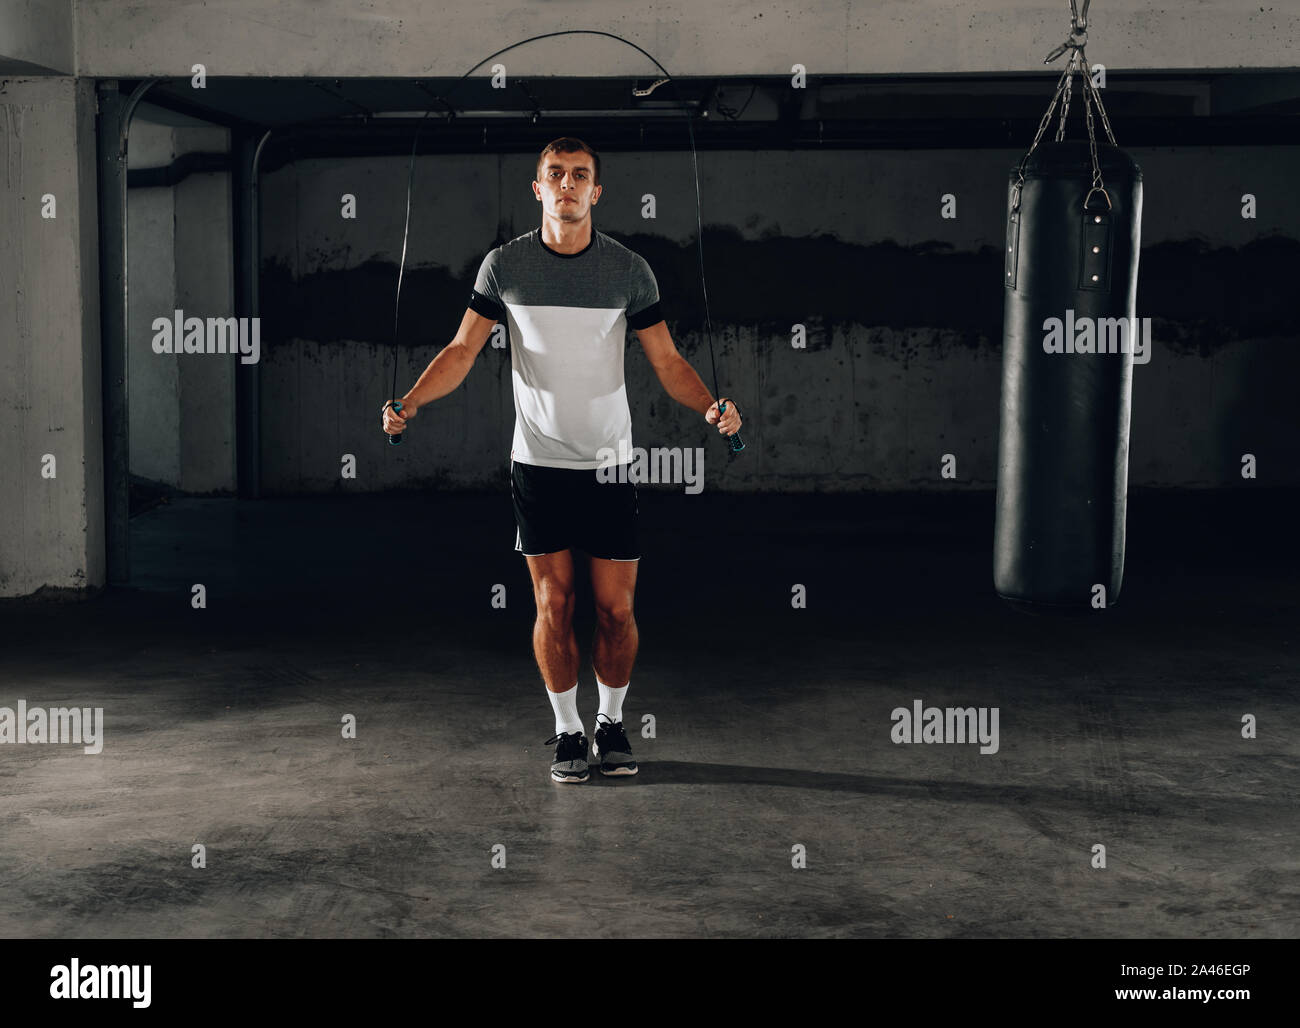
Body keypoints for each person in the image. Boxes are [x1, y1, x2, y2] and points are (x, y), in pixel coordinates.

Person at [382, 136, 742, 783]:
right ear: (538, 187)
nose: (568, 185)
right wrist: (409, 401)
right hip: (539, 465)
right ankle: (568, 731)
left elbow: (666, 361)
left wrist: (711, 407)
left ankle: (610, 722)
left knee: (616, 612)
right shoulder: (504, 267)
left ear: (596, 191)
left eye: (580, 175)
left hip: (609, 464)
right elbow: (463, 351)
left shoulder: (629, 270)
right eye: (556, 174)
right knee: (553, 605)